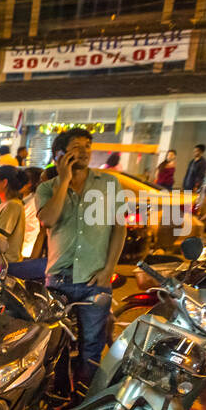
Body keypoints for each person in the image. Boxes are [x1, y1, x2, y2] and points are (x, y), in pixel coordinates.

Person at [36, 127, 127, 386]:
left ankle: (84, 404)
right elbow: (49, 220)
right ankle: (56, 394)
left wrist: (109, 269)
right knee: (52, 347)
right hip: (57, 281)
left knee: (91, 348)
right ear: (60, 155)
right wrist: (63, 180)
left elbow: (120, 228)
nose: (85, 151)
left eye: (88, 146)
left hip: (94, 280)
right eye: (77, 146)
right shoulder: (47, 188)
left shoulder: (109, 184)